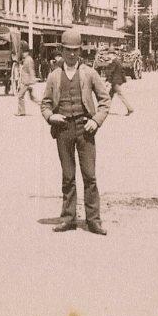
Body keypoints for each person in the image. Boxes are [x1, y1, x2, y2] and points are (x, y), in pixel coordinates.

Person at [40, 28, 113, 235]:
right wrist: (50, 116)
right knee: (68, 176)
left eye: (76, 50)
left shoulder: (89, 73)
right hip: (63, 130)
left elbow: (105, 101)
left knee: (89, 176)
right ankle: (68, 218)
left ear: (80, 50)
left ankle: (93, 220)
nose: (72, 54)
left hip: (85, 129)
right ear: (61, 50)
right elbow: (44, 104)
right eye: (68, 50)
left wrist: (96, 121)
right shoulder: (54, 75)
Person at [101, 48, 136, 116]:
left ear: (112, 54)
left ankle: (130, 109)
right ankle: (105, 110)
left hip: (115, 82)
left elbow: (110, 72)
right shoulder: (118, 61)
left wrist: (108, 81)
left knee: (120, 95)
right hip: (117, 81)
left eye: (109, 54)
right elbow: (122, 71)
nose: (108, 55)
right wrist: (123, 80)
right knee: (109, 96)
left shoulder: (114, 61)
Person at [14, 43, 38, 116]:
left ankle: (21, 112)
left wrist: (32, 80)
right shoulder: (27, 59)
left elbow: (31, 70)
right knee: (32, 98)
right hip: (26, 81)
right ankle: (41, 103)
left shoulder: (29, 60)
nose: (23, 54)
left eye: (24, 52)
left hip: (27, 82)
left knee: (20, 96)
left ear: (27, 52)